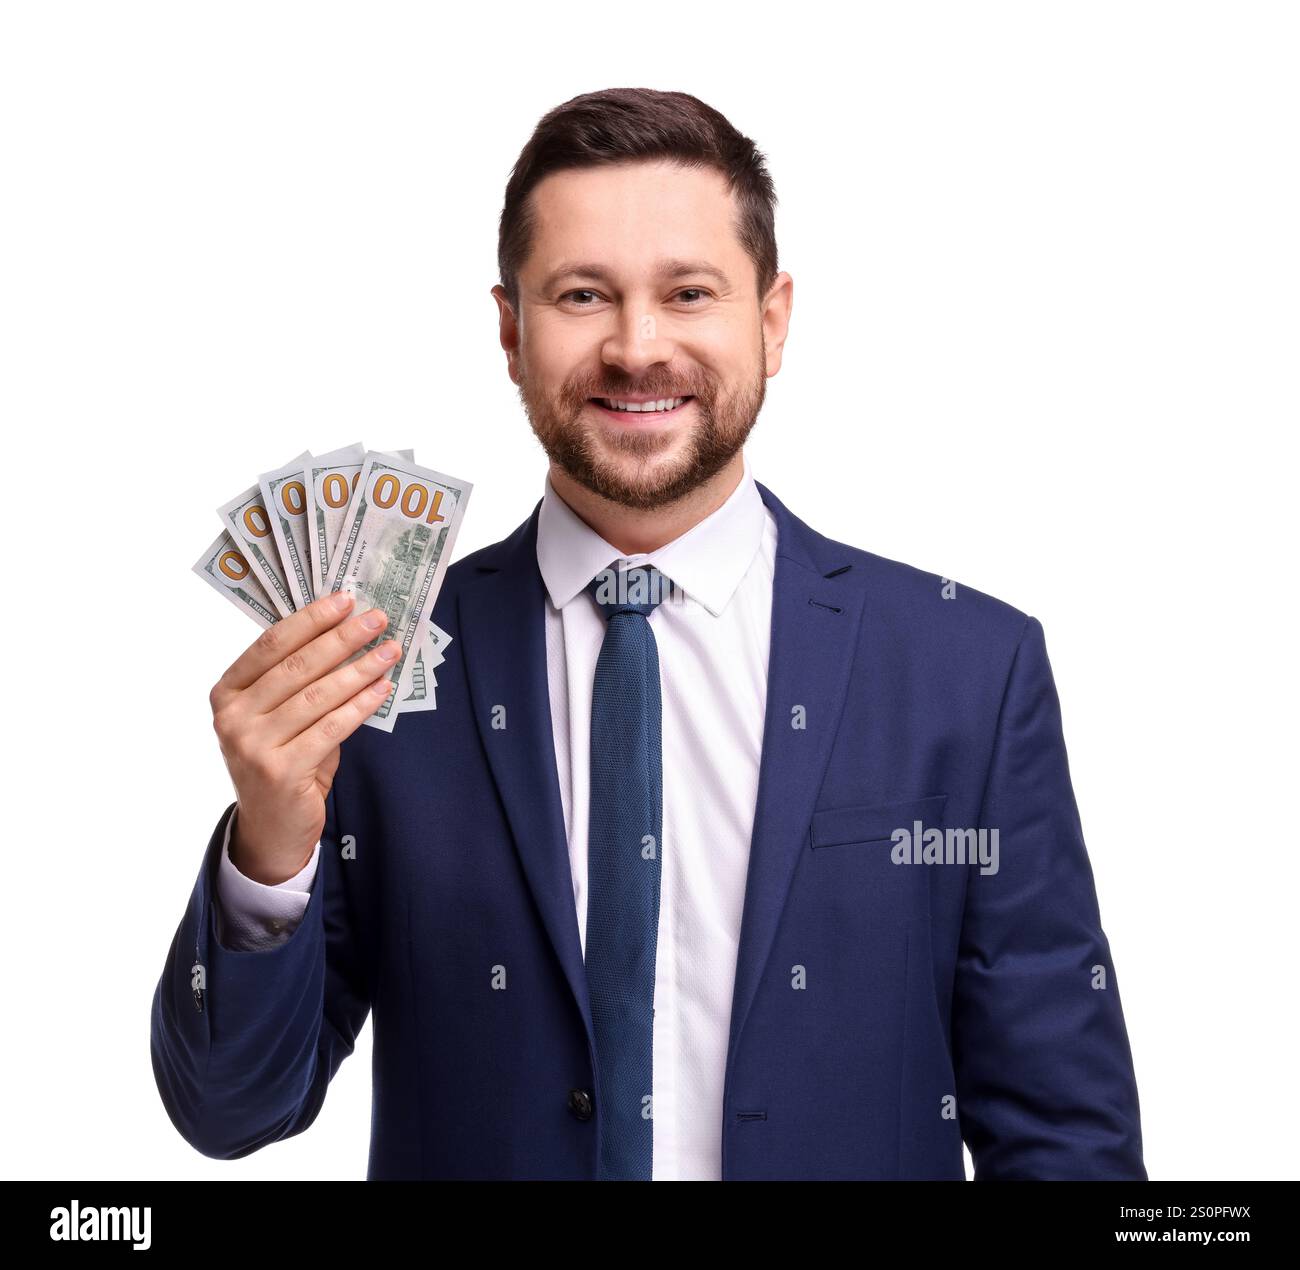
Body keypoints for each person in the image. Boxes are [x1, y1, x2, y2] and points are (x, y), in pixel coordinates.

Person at [151, 87, 1145, 1181]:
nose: (637, 346)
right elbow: (229, 1108)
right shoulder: (376, 673)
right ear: (509, 329)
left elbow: (1062, 1137)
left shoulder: (966, 672)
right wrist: (271, 844)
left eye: (687, 292)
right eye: (583, 294)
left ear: (770, 321)